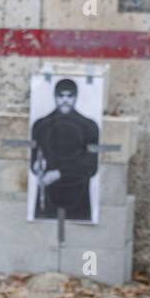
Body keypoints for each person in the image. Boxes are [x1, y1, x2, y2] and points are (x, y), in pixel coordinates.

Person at [29, 77, 100, 221]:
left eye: (70, 96)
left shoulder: (89, 126)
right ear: (55, 96)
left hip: (78, 196)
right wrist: (36, 166)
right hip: (48, 197)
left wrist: (59, 173)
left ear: (76, 96)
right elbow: (33, 159)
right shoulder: (40, 125)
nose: (65, 100)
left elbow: (91, 166)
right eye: (61, 95)